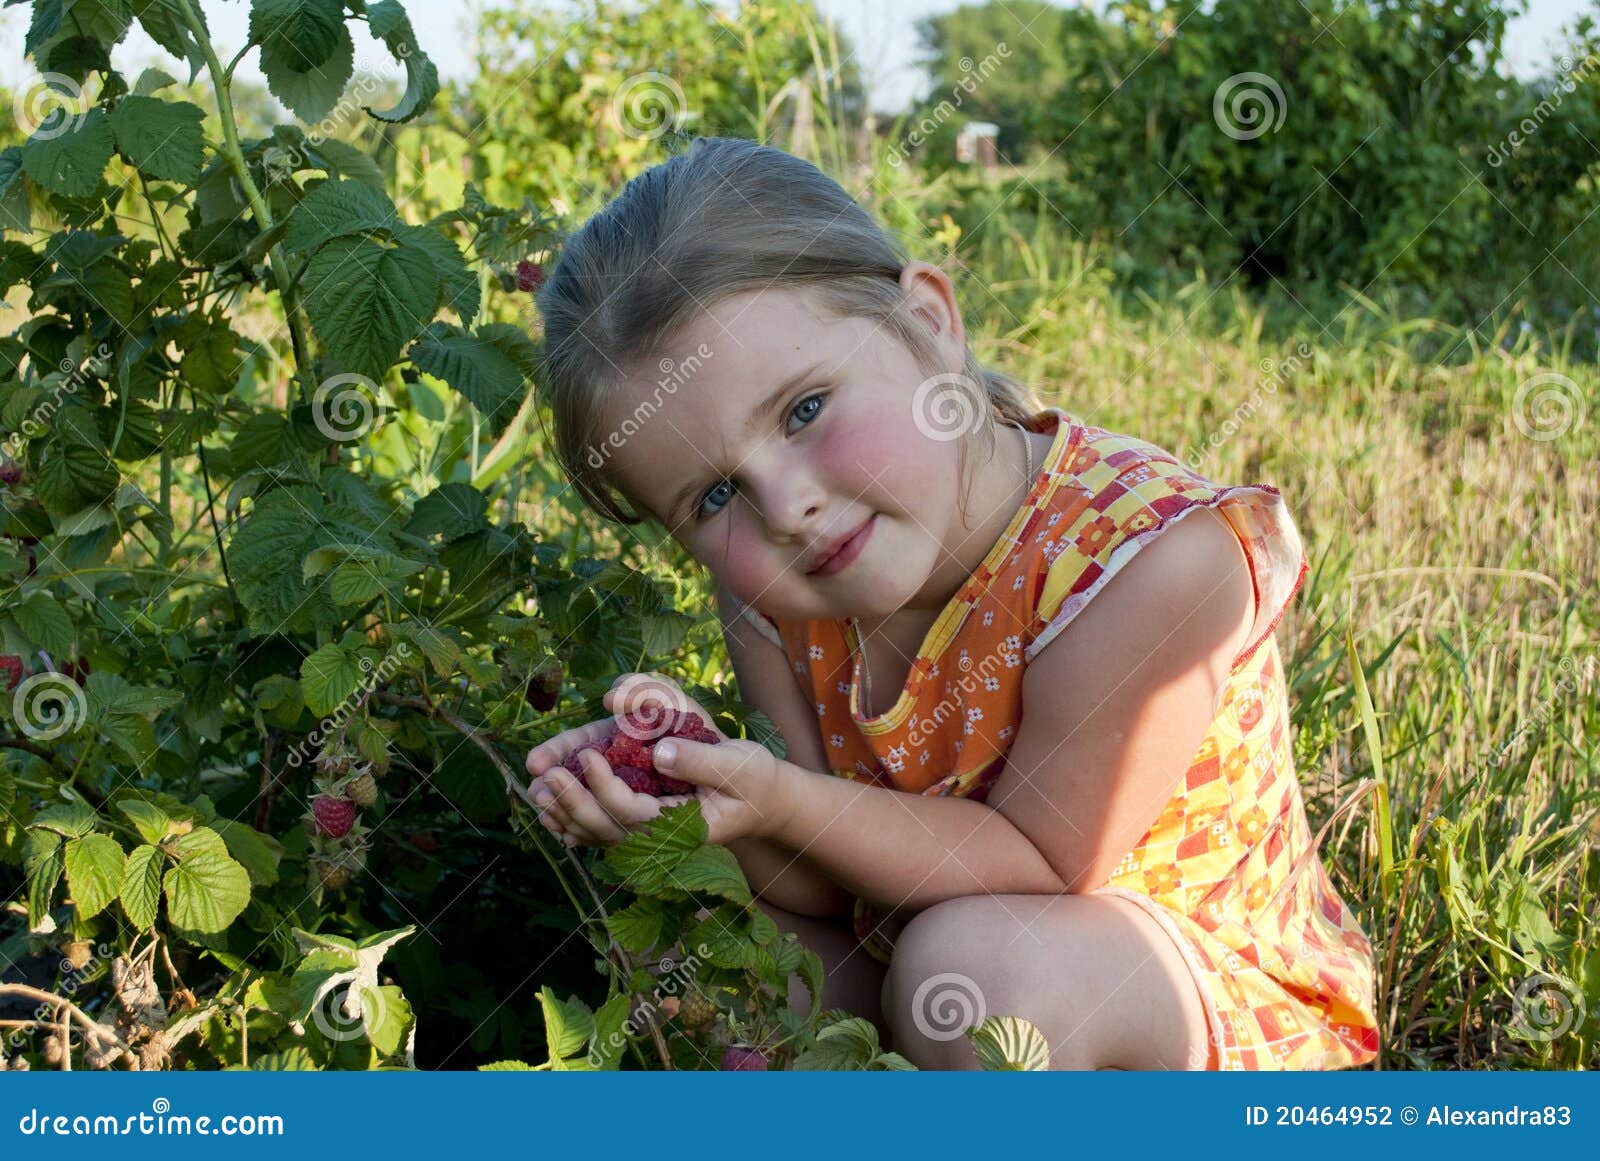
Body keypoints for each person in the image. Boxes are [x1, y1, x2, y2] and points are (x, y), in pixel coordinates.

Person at [521, 136, 1379, 1071]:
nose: (787, 507)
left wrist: (784, 797)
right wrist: (714, 794)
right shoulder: (770, 601)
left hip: (1182, 992)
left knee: (968, 981)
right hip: (915, 949)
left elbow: (1043, 863)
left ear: (929, 322)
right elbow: (822, 883)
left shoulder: (1144, 561)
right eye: (717, 495)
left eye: (804, 410)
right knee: (701, 973)